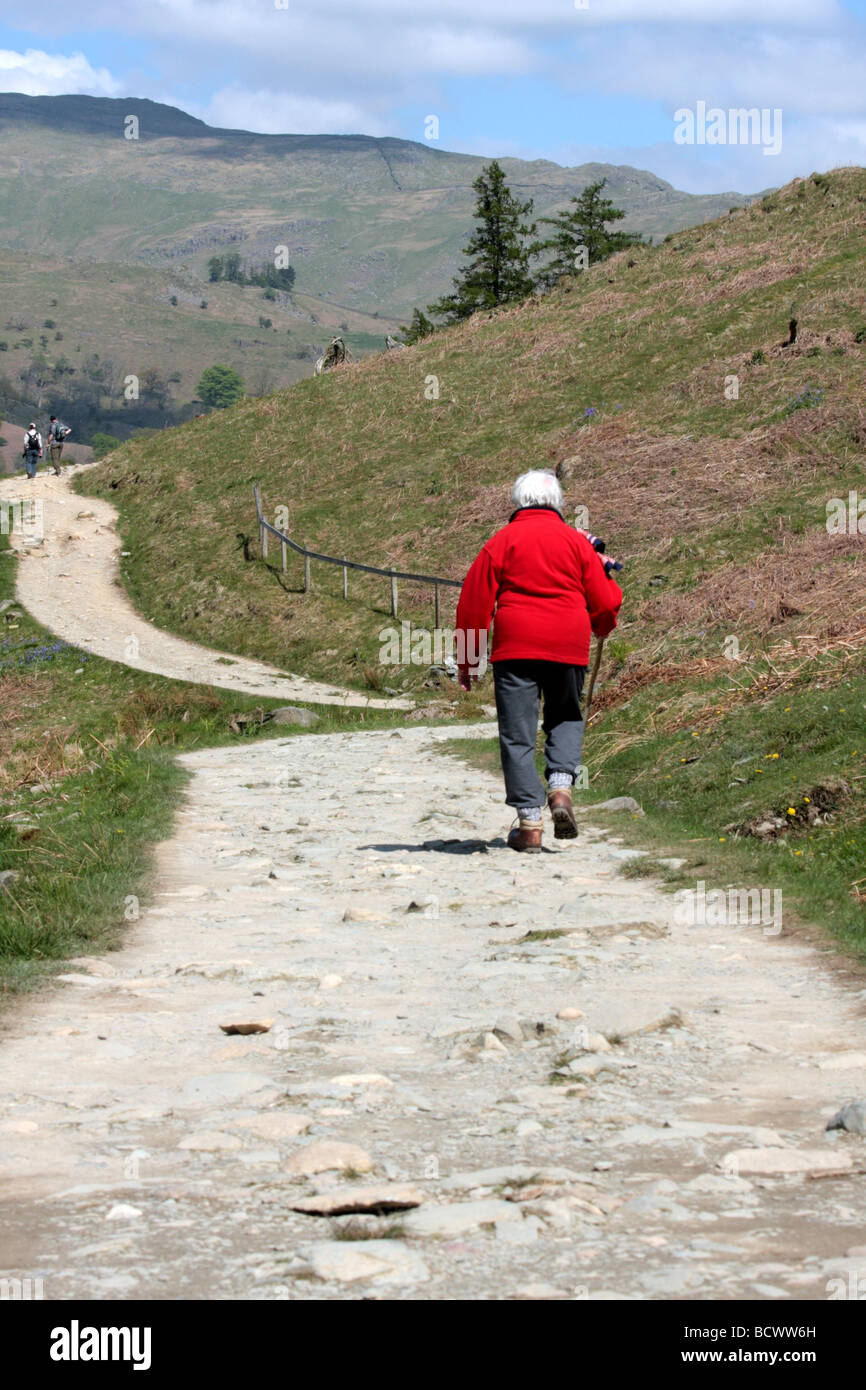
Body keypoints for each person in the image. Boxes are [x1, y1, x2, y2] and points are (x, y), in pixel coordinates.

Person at [455, 469, 623, 852]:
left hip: (516, 647)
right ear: (558, 503)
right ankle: (561, 790)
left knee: (518, 733)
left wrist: (468, 664)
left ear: (518, 501)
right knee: (565, 714)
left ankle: (530, 823)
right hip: (568, 643)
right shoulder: (576, 543)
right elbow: (605, 600)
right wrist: (604, 622)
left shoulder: (501, 541)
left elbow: (473, 605)